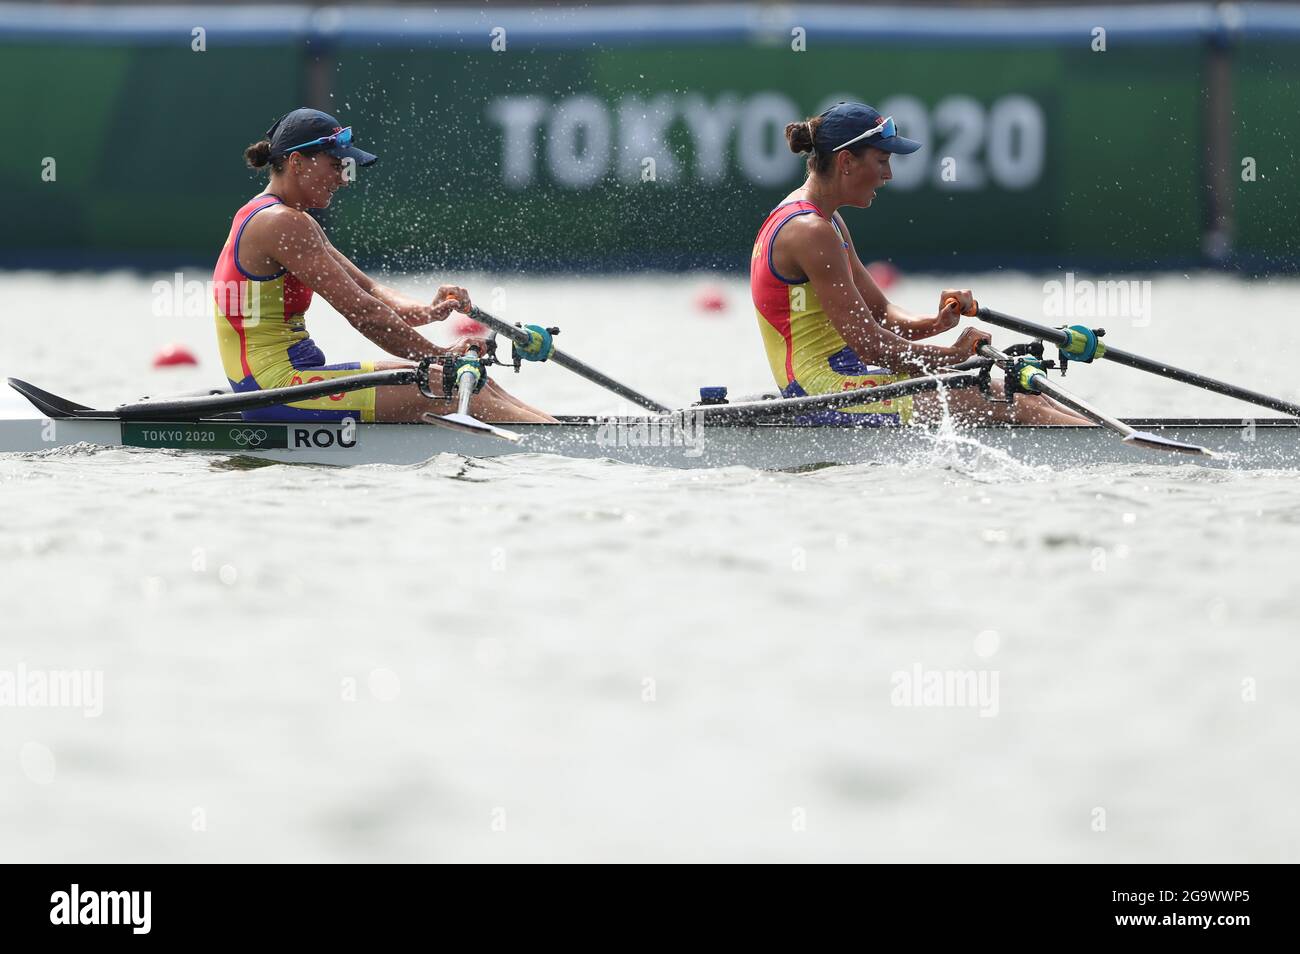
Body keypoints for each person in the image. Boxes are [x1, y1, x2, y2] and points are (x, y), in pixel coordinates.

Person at [750, 102, 1087, 426]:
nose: (889, 174)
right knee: (1009, 399)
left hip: (849, 379)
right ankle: (1117, 457)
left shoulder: (826, 220)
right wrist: (954, 355)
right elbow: (871, 346)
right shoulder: (810, 231)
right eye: (882, 160)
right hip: (821, 392)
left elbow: (881, 314)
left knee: (1030, 397)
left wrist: (938, 321)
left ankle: (1111, 444)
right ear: (846, 161)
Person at [213, 107, 552, 423]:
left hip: (294, 378)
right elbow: (363, 313)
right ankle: (565, 456)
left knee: (478, 384)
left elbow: (369, 290)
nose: (344, 179)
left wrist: (428, 311)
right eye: (335, 165)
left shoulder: (290, 218)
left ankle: (554, 431)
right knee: (447, 388)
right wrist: (440, 357)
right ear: (297, 162)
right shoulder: (280, 222)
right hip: (276, 389)